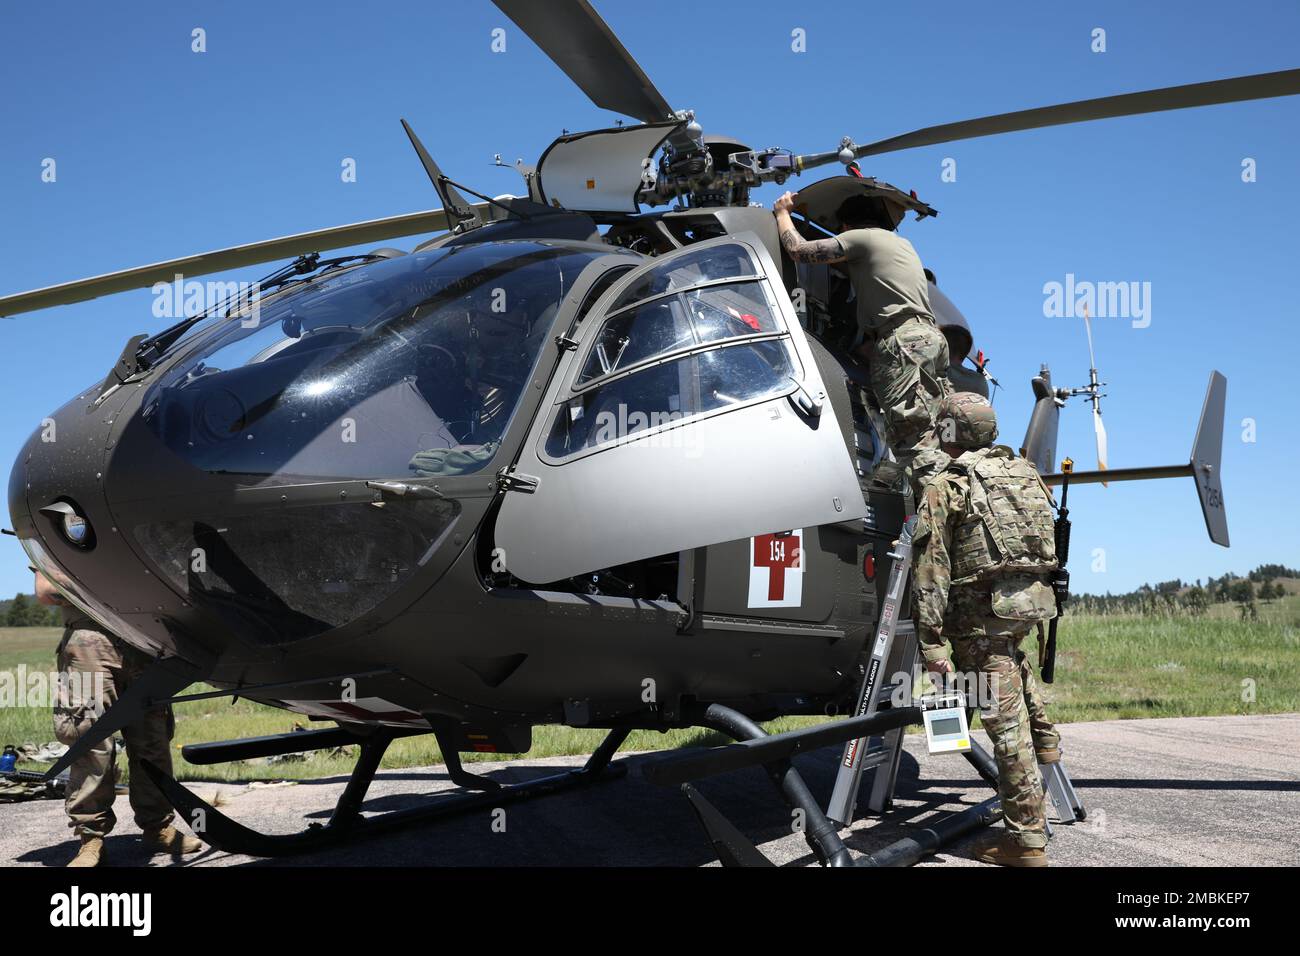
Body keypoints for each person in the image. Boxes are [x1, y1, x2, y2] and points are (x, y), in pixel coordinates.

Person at [909, 392, 1060, 866]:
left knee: (1005, 730)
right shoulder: (1024, 474)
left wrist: (932, 646)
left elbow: (931, 571)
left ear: (950, 431)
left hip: (978, 620)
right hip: (1026, 609)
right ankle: (1049, 743)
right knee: (1017, 677)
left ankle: (1025, 842)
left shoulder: (948, 484)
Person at [773, 189, 952, 498]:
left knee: (913, 438)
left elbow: (800, 251)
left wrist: (782, 214)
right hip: (930, 340)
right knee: (932, 431)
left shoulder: (862, 238)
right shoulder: (900, 244)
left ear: (846, 226)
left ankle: (938, 512)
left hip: (903, 342)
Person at [36, 571, 203, 867]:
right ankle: (91, 840)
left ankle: (158, 827)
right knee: (91, 739)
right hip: (90, 644)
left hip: (145, 641)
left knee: (153, 740)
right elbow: (46, 590)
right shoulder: (69, 527)